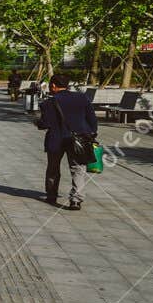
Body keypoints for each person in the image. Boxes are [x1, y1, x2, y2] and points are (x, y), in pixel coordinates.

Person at [36, 75, 96, 210]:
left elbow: (45, 124)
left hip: (56, 140)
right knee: (78, 169)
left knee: (53, 168)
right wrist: (91, 134)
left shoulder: (48, 103)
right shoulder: (82, 98)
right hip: (78, 140)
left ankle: (52, 195)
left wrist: (37, 122)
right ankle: (76, 200)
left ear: (53, 86)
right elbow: (92, 118)